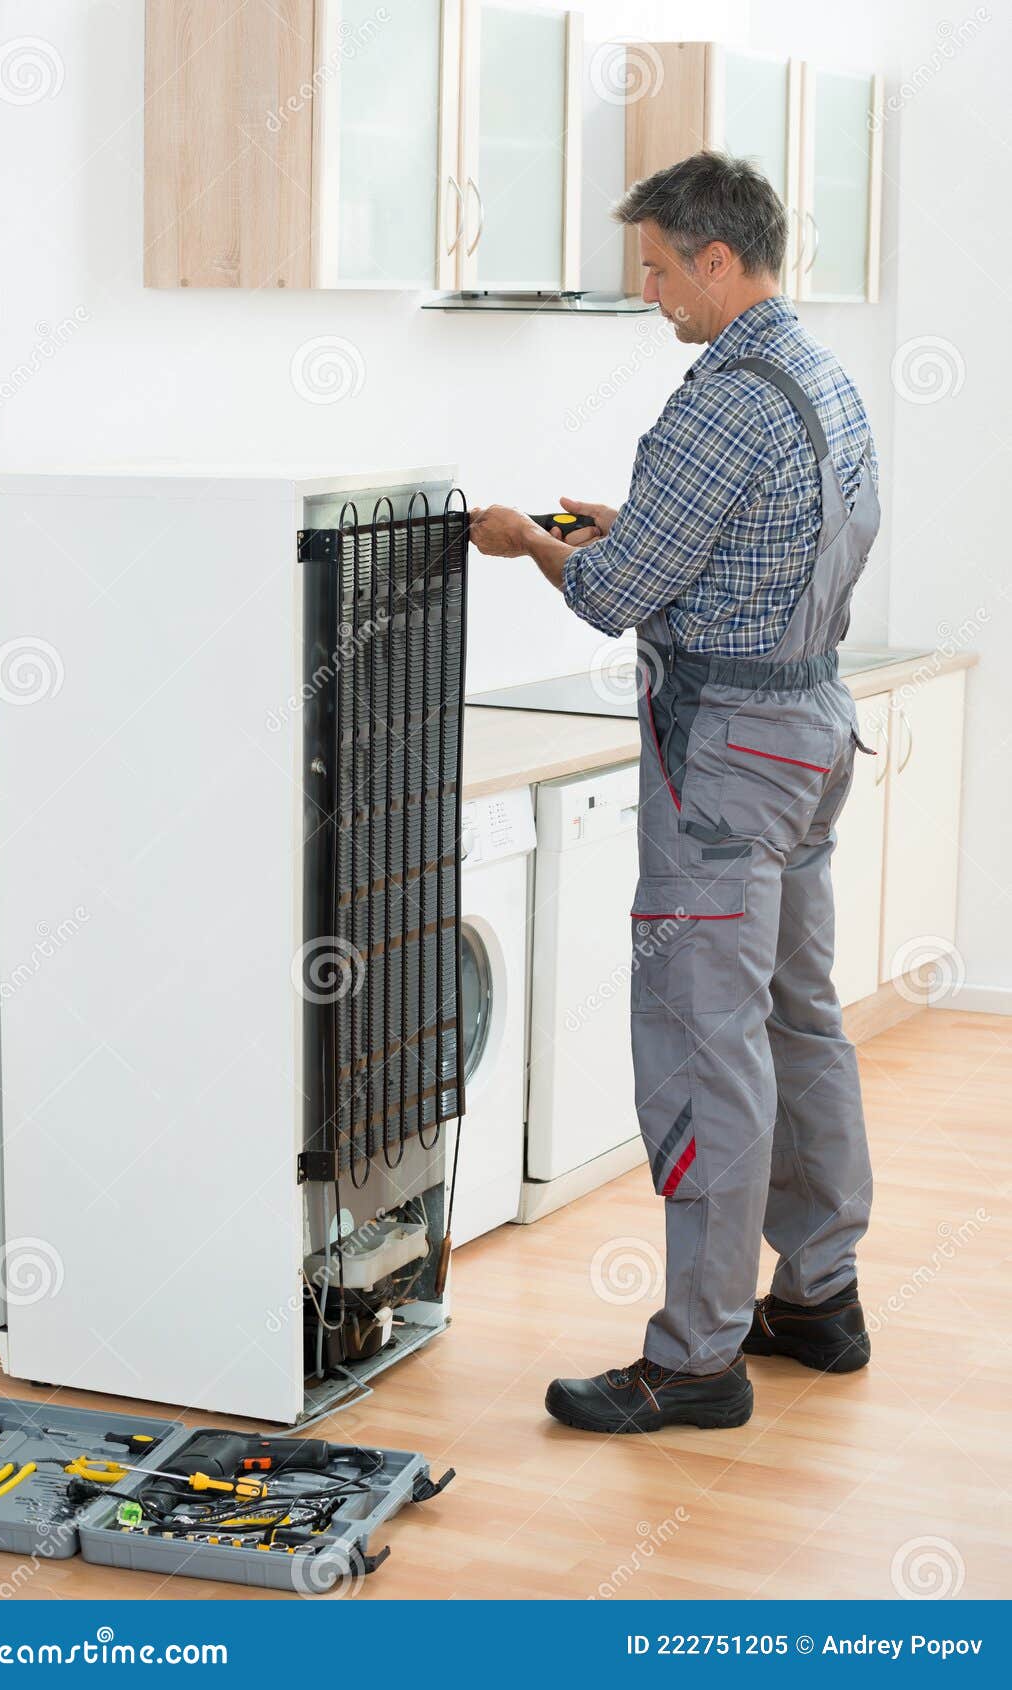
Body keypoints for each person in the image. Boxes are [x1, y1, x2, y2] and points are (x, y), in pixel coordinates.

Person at [469, 152, 878, 1435]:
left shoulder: (720, 399)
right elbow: (737, 549)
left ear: (717, 257)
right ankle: (819, 1294)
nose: (649, 291)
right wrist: (628, 524)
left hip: (727, 762)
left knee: (708, 1051)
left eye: (656, 266)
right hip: (810, 731)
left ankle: (696, 1356)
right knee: (800, 1021)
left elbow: (612, 594)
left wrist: (536, 544)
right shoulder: (823, 379)